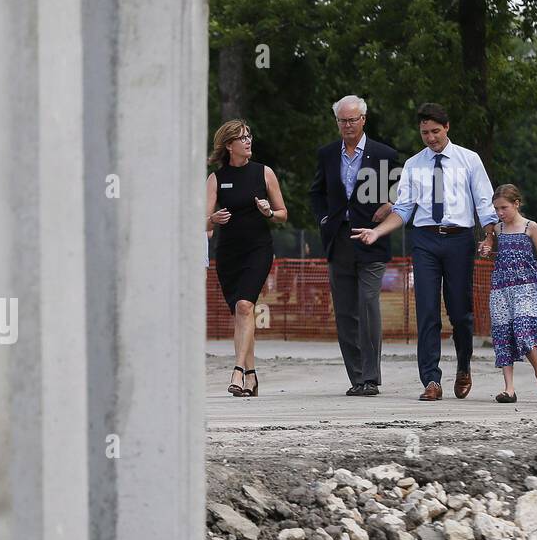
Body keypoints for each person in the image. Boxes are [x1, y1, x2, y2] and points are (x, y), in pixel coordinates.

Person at [351, 103, 498, 401]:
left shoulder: (468, 160)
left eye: (435, 131)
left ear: (447, 128)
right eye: (424, 133)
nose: (430, 138)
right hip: (425, 240)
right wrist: (377, 231)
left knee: (460, 312)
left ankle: (464, 366)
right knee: (427, 311)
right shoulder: (414, 165)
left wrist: (489, 234)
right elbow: (403, 209)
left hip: (459, 240)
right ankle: (431, 380)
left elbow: (484, 201)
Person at [308, 95, 402, 396]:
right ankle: (357, 377)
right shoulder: (327, 154)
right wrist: (324, 218)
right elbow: (316, 193)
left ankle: (371, 377)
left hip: (372, 238)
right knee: (346, 312)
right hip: (339, 239)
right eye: (342, 121)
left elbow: (402, 189)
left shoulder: (384, 154)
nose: (347, 125)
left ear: (363, 120)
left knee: (368, 304)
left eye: (352, 120)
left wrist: (389, 204)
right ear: (337, 123)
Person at [205, 119, 289, 397]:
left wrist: (268, 212)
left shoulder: (264, 173)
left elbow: (282, 214)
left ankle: (237, 371)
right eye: (242, 138)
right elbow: (202, 223)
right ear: (229, 146)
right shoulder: (216, 178)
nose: (248, 141)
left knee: (244, 306)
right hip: (228, 253)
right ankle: (251, 377)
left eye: (249, 136)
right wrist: (212, 219)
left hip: (258, 249)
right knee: (243, 314)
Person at [480, 184, 537, 402]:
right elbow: (488, 248)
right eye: (496, 209)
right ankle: (509, 389)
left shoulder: (530, 227)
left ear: (516, 204)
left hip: (527, 286)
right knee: (502, 333)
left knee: (522, 329)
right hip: (501, 288)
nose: (499, 213)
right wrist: (485, 249)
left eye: (503, 208)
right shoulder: (497, 229)